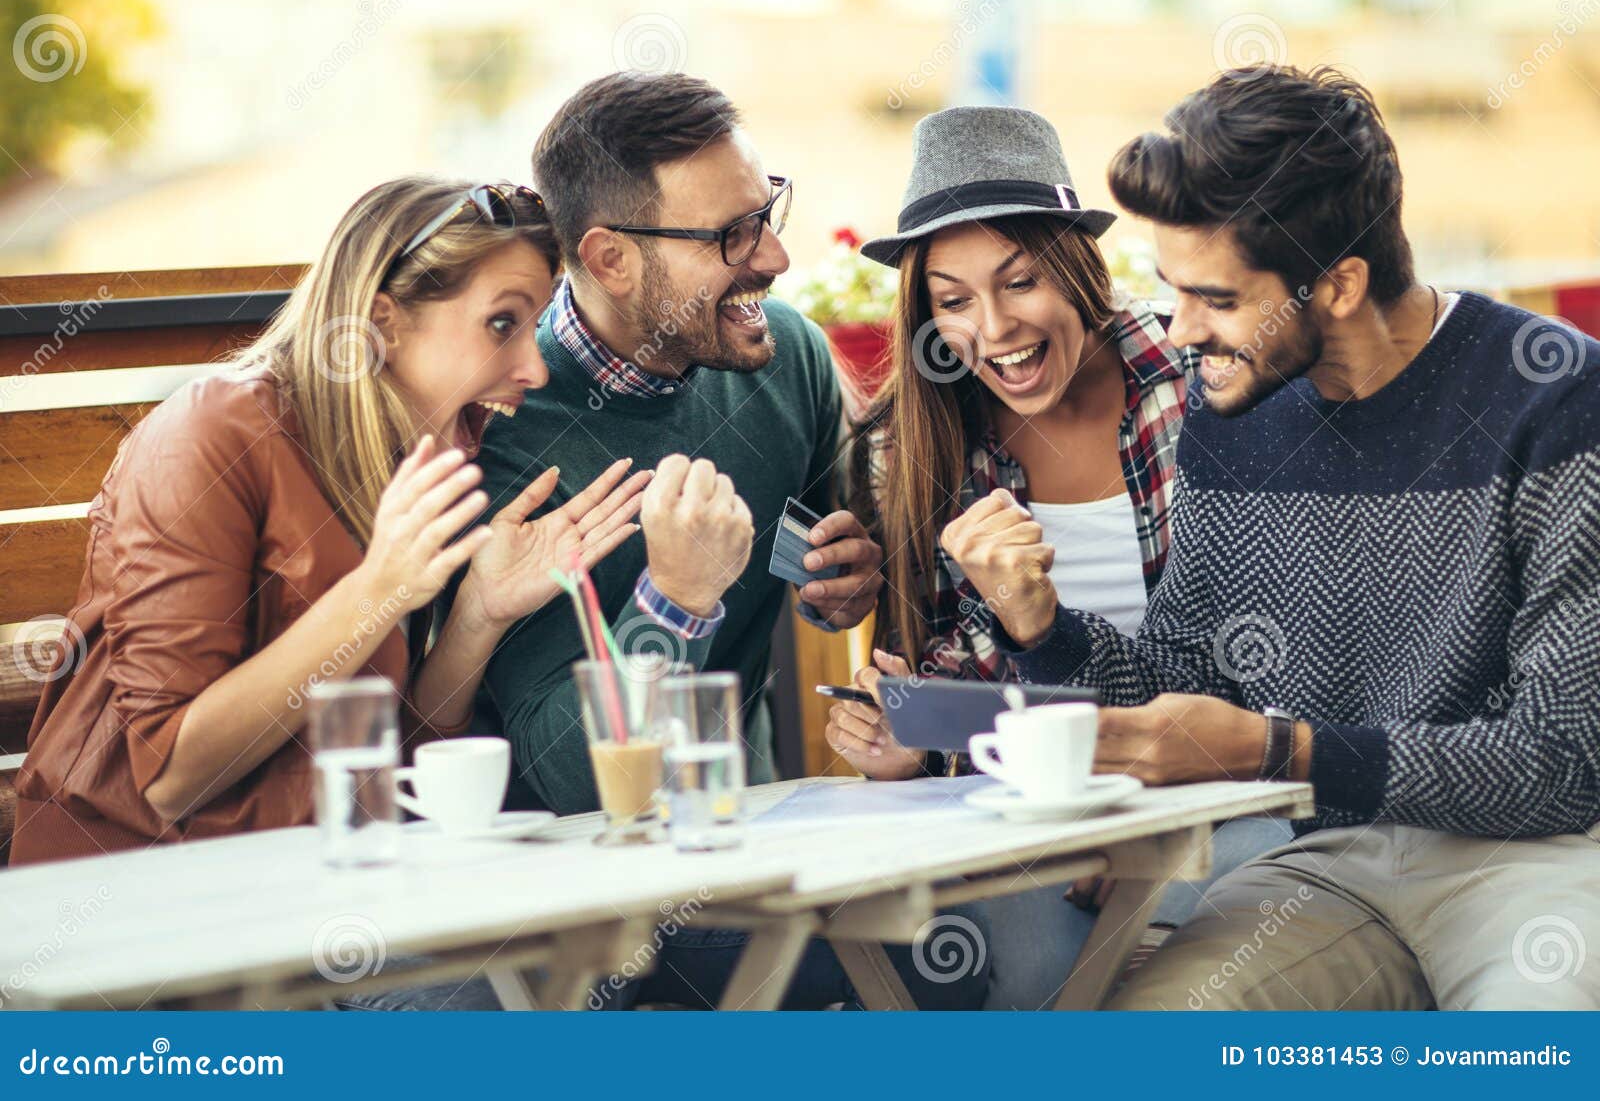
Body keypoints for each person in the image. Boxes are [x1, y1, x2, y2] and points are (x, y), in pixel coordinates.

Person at [975, 67, 1600, 1009]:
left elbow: (1563, 763)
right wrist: (1043, 626)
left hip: (1539, 859)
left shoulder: (1554, 400)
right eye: (1169, 291)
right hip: (1328, 863)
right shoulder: (1236, 410)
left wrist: (1286, 751)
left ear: (1340, 283)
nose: (1180, 330)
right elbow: (1191, 686)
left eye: (1217, 300)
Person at [454, 71, 987, 1009]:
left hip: (735, 835)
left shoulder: (789, 358)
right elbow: (569, 783)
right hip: (560, 890)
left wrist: (851, 575)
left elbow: (836, 563)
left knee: (952, 955)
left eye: (766, 210)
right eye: (729, 235)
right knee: (917, 977)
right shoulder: (501, 429)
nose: (775, 255)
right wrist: (677, 598)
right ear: (610, 258)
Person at [11, 177, 646, 865]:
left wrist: (476, 615)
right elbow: (171, 776)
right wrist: (377, 591)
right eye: (502, 323)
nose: (534, 368)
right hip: (145, 888)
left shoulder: (415, 454)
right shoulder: (212, 434)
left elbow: (395, 764)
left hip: (332, 873)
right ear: (380, 324)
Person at [825, 105, 1290, 1010]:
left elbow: (1272, 668)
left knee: (1218, 937)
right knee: (1034, 976)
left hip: (1225, 788)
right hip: (1035, 811)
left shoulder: (1209, 386)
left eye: (1020, 280)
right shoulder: (925, 451)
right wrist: (913, 747)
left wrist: (1132, 811)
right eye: (953, 301)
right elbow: (962, 691)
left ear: (1077, 267)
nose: (992, 327)